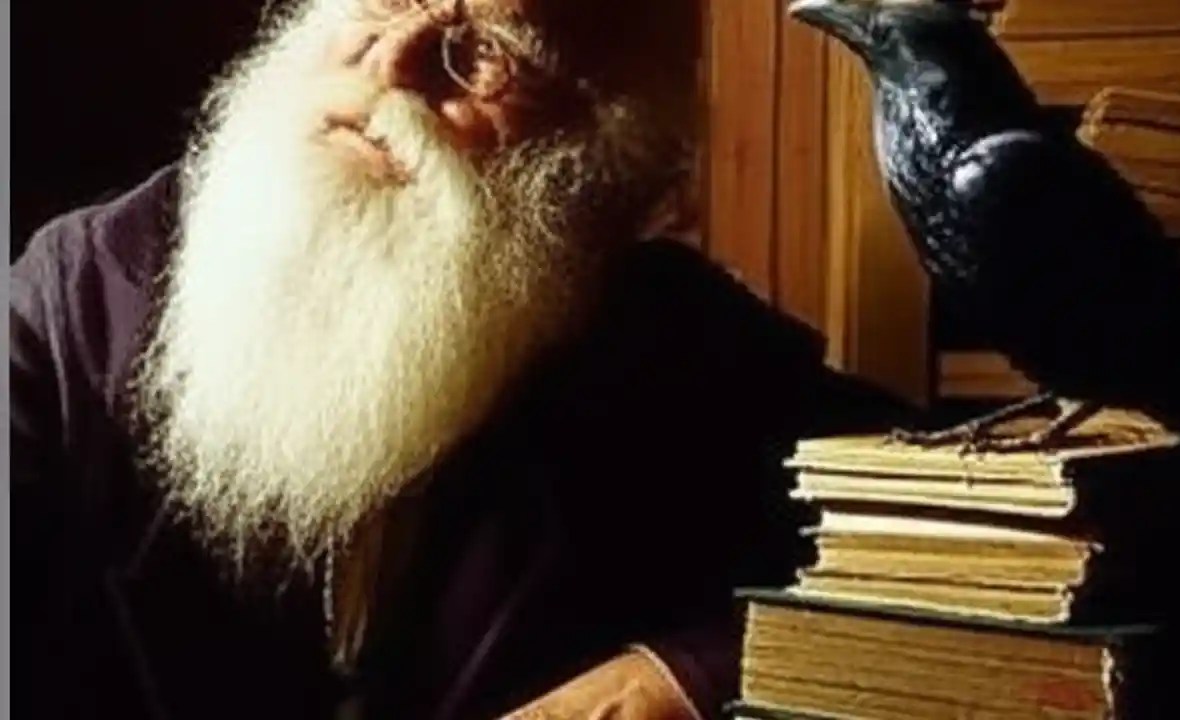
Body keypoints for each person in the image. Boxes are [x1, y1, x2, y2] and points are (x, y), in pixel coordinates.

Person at [11, 0, 914, 718]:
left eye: (482, 50)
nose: (390, 63)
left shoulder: (672, 343)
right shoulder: (80, 298)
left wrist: (680, 676)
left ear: (596, 138)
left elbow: (949, 537)